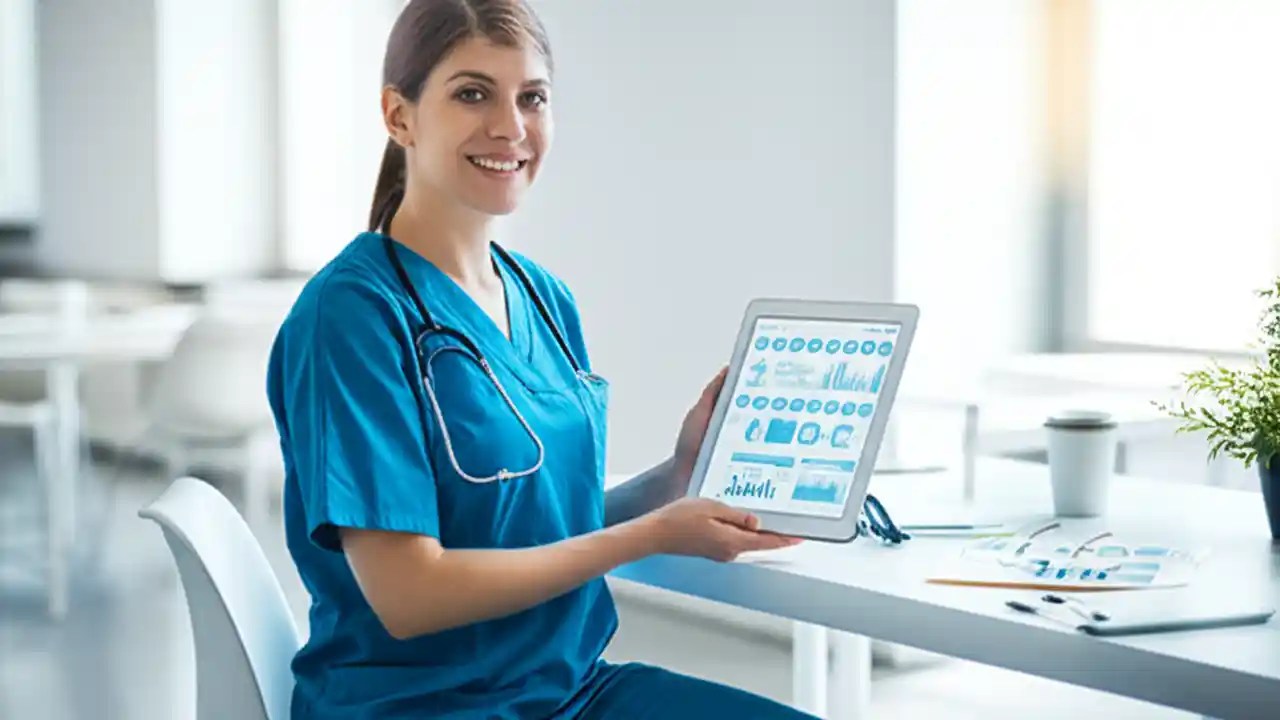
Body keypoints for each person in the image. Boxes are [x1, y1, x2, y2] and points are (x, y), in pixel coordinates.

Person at [265, 1, 815, 717]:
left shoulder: (543, 299)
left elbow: (542, 529)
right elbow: (408, 594)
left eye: (532, 98)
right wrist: (648, 536)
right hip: (423, 705)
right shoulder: (353, 317)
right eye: (472, 94)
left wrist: (678, 475)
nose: (510, 127)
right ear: (399, 116)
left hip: (569, 690)